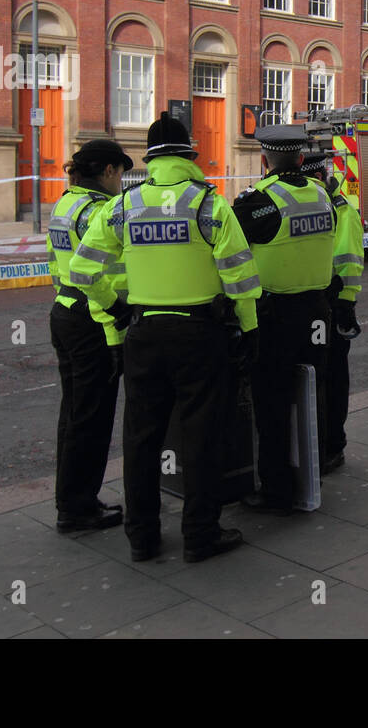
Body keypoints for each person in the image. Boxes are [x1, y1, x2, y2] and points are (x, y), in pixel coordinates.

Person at [70, 112, 260, 564]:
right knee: (201, 437)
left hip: (144, 334)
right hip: (201, 335)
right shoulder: (208, 204)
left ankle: (142, 538)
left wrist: (117, 309)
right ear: (190, 156)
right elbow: (241, 278)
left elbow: (81, 271)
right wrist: (249, 330)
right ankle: (200, 535)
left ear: (150, 161)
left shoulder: (122, 206)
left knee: (140, 439)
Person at [233, 125, 337, 514]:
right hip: (317, 311)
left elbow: (226, 250)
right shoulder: (323, 196)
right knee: (315, 390)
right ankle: (316, 468)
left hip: (274, 315)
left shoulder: (256, 202)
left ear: (264, 159)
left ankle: (277, 489)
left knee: (272, 401)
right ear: (299, 158)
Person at [47, 139, 133, 533]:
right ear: (110, 171)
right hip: (93, 317)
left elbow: (55, 262)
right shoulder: (100, 211)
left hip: (64, 311)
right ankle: (79, 508)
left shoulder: (65, 203)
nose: (122, 182)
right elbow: (95, 274)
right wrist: (116, 311)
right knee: (92, 417)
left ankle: (71, 498)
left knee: (74, 413)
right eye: (121, 173)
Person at [301, 151, 362, 473]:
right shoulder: (307, 205)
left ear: (322, 177)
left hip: (334, 307)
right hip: (311, 305)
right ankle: (312, 444)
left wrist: (345, 305)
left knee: (333, 379)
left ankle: (332, 447)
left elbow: (349, 261)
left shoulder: (341, 211)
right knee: (313, 378)